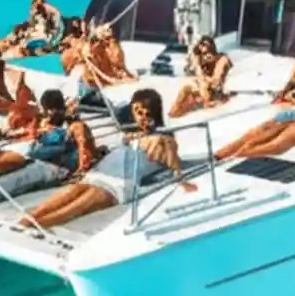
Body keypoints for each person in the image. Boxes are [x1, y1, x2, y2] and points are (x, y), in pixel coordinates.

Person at [20, 88, 194, 228]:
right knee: (74, 190)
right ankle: (31, 217)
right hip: (104, 172)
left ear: (154, 114)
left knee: (80, 205)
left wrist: (182, 182)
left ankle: (39, 224)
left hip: (120, 184)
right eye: (138, 112)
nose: (141, 117)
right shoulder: (134, 133)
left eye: (146, 113)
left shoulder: (163, 138)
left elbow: (173, 162)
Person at [169, 36, 233, 118]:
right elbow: (191, 72)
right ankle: (174, 112)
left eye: (208, 53)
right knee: (185, 90)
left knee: (190, 90)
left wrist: (202, 77)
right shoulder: (201, 61)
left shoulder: (222, 59)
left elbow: (215, 82)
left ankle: (176, 112)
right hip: (204, 92)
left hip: (216, 94)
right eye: (203, 54)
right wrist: (196, 64)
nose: (206, 57)